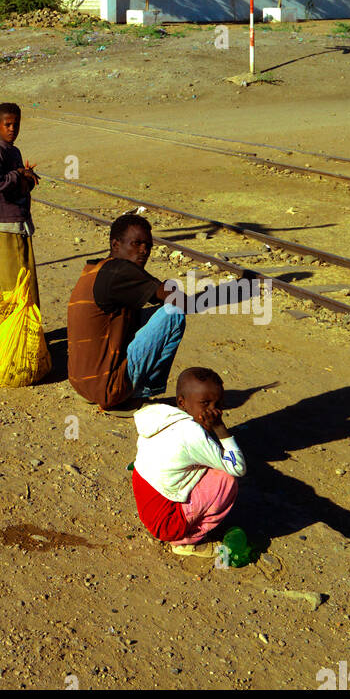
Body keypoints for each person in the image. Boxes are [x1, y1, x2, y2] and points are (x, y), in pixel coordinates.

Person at [67, 212, 185, 412]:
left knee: (143, 314)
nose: (143, 251)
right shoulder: (121, 270)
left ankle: (122, 389)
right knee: (173, 314)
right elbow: (171, 297)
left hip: (81, 384)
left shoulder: (96, 268)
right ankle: (139, 394)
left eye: (148, 246)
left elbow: (154, 294)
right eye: (136, 244)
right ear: (116, 245)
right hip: (105, 388)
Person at [131, 366, 246, 556]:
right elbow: (238, 467)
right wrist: (221, 429)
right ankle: (185, 540)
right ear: (182, 402)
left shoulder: (163, 416)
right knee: (227, 479)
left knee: (210, 466)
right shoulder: (193, 434)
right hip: (165, 524)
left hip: (148, 505)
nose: (214, 411)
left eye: (218, 404)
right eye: (205, 403)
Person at [0, 102, 40, 318]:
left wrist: (28, 177)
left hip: (18, 220)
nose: (12, 129)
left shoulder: (13, 150)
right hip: (7, 223)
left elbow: (16, 182)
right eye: (7, 125)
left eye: (16, 125)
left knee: (20, 275)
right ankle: (14, 327)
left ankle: (15, 327)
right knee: (15, 279)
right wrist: (18, 174)